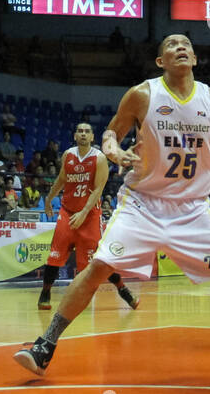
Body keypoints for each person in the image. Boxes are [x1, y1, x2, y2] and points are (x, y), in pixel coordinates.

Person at [15, 36, 210, 378]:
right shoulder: (142, 94)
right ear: (161, 61)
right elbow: (111, 134)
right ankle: (45, 344)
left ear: (194, 57)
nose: (179, 46)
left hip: (192, 209)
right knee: (98, 268)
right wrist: (114, 151)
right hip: (143, 204)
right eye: (171, 44)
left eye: (186, 44)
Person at [35, 121, 138, 312]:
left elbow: (98, 190)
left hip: (89, 215)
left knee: (97, 262)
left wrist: (83, 213)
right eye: (80, 131)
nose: (83, 134)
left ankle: (122, 289)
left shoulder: (99, 158)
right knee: (54, 256)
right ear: (75, 136)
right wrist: (48, 199)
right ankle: (45, 292)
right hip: (67, 212)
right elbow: (61, 180)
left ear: (92, 137)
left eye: (87, 132)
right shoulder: (68, 155)